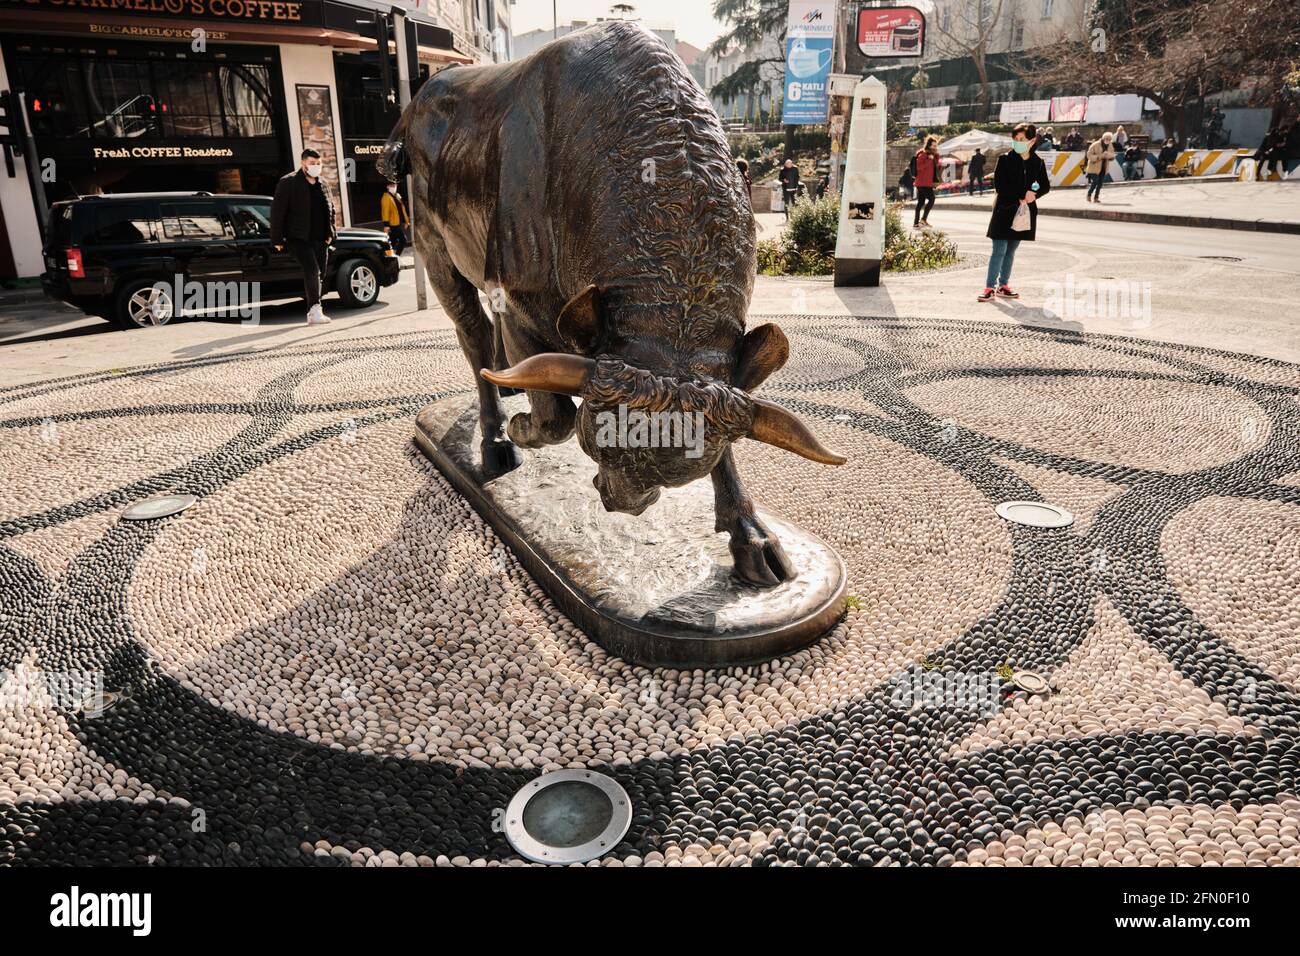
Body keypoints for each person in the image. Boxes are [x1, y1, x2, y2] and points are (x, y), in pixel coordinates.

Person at [979, 123, 1050, 302]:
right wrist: (1021, 194)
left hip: (1023, 213)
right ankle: (989, 287)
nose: (1017, 142)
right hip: (1004, 210)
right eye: (1015, 139)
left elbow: (1045, 186)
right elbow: (1000, 186)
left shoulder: (1037, 162)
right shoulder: (1004, 159)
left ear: (1032, 141)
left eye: (1021, 139)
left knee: (1011, 251)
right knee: (999, 250)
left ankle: (1004, 285)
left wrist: (1034, 194)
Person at [271, 148, 336, 326]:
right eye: (311, 163)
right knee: (312, 269)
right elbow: (278, 212)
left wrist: (331, 233)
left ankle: (314, 309)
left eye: (318, 163)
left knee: (320, 273)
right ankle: (315, 309)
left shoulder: (323, 183)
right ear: (303, 164)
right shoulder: (289, 182)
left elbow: (331, 209)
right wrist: (276, 239)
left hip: (321, 239)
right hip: (298, 238)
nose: (315, 166)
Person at [912, 134, 939, 228]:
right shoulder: (923, 154)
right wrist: (929, 160)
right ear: (929, 145)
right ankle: (923, 219)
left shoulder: (932, 155)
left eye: (936, 146)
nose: (935, 147)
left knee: (921, 202)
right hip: (922, 183)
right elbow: (919, 167)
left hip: (926, 183)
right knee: (932, 199)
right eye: (933, 146)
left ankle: (916, 223)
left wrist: (934, 157)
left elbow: (935, 166)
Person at [1085, 131, 1116, 203]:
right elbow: (1089, 155)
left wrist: (1111, 157)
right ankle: (1089, 195)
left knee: (1100, 183)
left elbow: (1112, 153)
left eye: (1109, 139)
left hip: (1104, 167)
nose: (1108, 140)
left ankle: (1096, 197)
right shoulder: (1095, 144)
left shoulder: (1110, 145)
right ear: (1103, 138)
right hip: (1094, 167)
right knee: (1095, 181)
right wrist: (1099, 157)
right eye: (1107, 138)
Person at [380, 180, 409, 255]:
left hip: (397, 223)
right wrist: (386, 225)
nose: (394, 187)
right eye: (391, 186)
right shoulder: (386, 197)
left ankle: (388, 256)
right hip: (392, 224)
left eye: (395, 185)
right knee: (403, 240)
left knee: (392, 242)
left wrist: (406, 221)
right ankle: (396, 256)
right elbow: (385, 211)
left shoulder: (397, 196)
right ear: (387, 187)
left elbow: (402, 210)